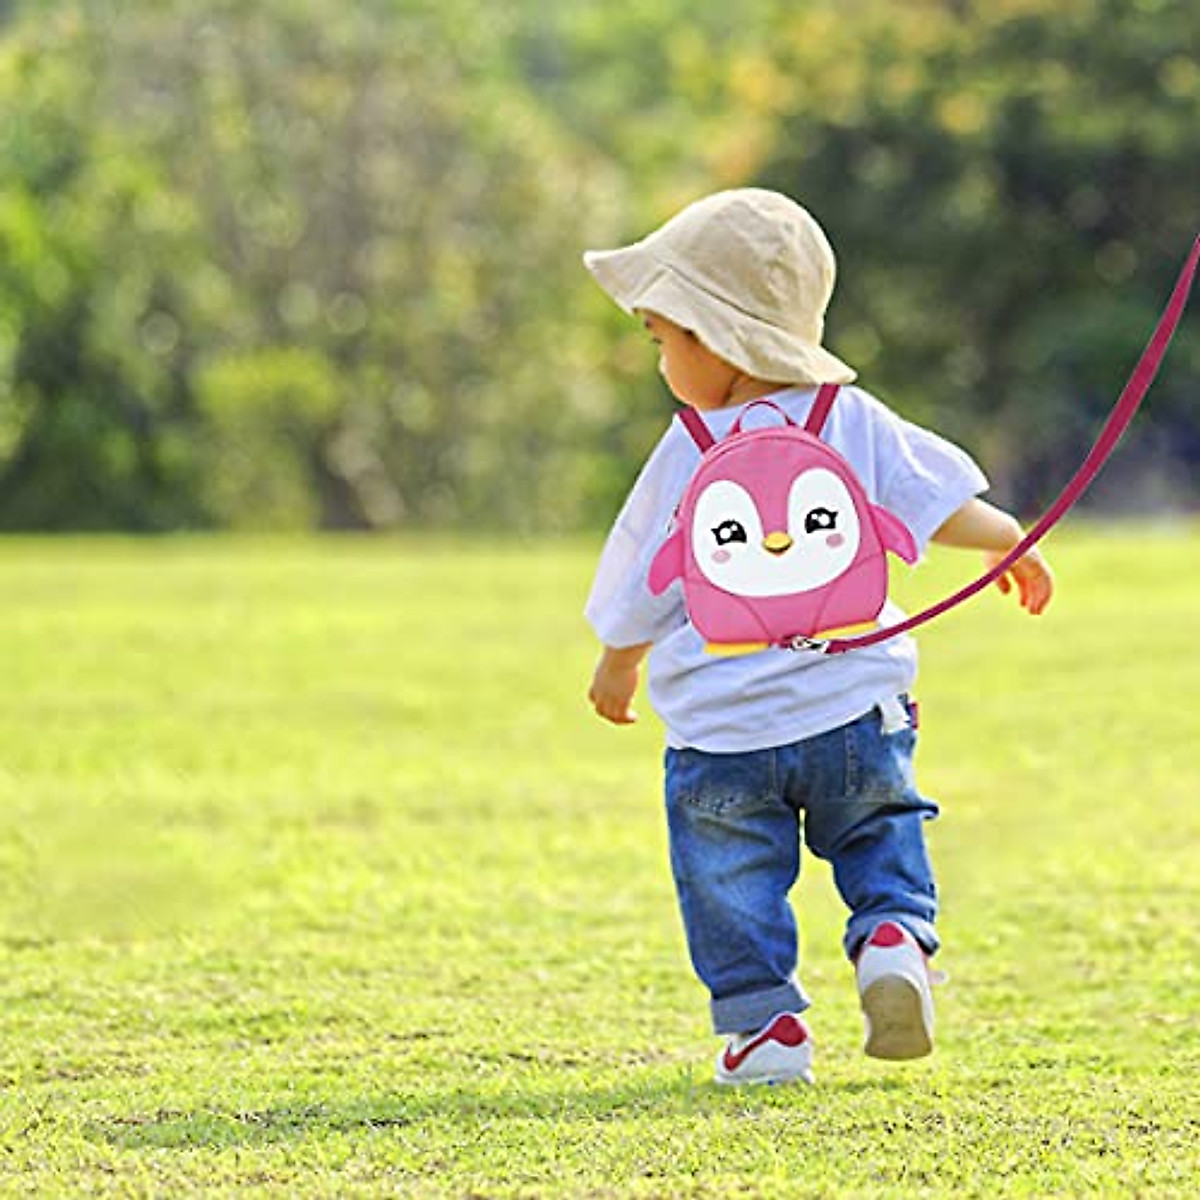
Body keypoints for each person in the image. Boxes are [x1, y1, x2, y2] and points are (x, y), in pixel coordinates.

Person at [582, 188, 1053, 1086]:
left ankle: (765, 1030)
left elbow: (646, 571)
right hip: (852, 711)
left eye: (661, 339)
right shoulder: (851, 420)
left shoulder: (688, 449)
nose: (660, 359)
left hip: (723, 735)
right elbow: (934, 500)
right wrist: (1009, 540)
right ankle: (891, 937)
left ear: (715, 340)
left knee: (729, 878)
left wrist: (618, 661)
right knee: (878, 826)